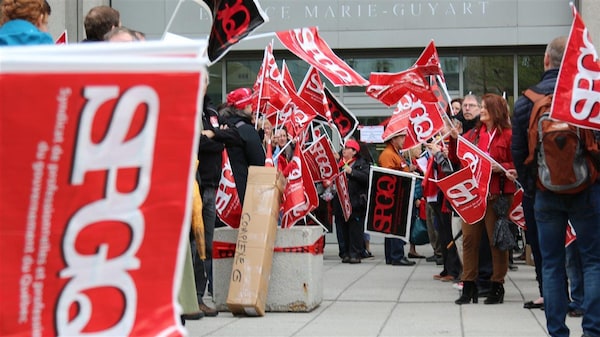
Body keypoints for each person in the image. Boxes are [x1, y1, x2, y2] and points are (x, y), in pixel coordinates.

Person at [513, 35, 600, 337]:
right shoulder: (586, 95)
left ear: (546, 60)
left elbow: (517, 154)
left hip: (545, 193)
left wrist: (534, 187)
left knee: (551, 265)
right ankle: (592, 330)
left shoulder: (526, 100)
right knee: (593, 262)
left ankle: (557, 332)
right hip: (586, 190)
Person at [451, 93, 517, 305]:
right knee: (469, 240)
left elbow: (517, 163)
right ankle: (469, 284)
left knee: (495, 242)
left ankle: (497, 285)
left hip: (497, 195)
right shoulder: (473, 135)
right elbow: (459, 160)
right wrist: (454, 141)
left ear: (495, 109)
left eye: (485, 107)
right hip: (473, 195)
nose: (482, 110)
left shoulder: (508, 135)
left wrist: (502, 167)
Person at [219, 87, 266, 204]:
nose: (252, 108)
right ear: (245, 107)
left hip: (222, 193)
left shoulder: (221, 126)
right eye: (250, 104)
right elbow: (259, 162)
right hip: (242, 193)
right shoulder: (247, 130)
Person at [378, 130, 415, 266]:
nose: (404, 140)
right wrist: (406, 172)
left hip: (398, 194)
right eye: (401, 137)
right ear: (393, 139)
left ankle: (392, 256)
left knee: (393, 227)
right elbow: (389, 176)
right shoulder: (388, 154)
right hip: (394, 195)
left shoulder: (395, 153)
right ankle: (396, 255)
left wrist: (408, 170)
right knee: (395, 227)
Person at [332, 139, 370, 264]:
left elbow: (366, 178)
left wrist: (352, 172)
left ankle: (355, 253)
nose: (344, 150)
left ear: (354, 151)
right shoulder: (338, 163)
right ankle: (345, 253)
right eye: (344, 147)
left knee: (355, 229)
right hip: (340, 202)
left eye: (347, 148)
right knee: (342, 229)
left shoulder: (362, 163)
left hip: (355, 202)